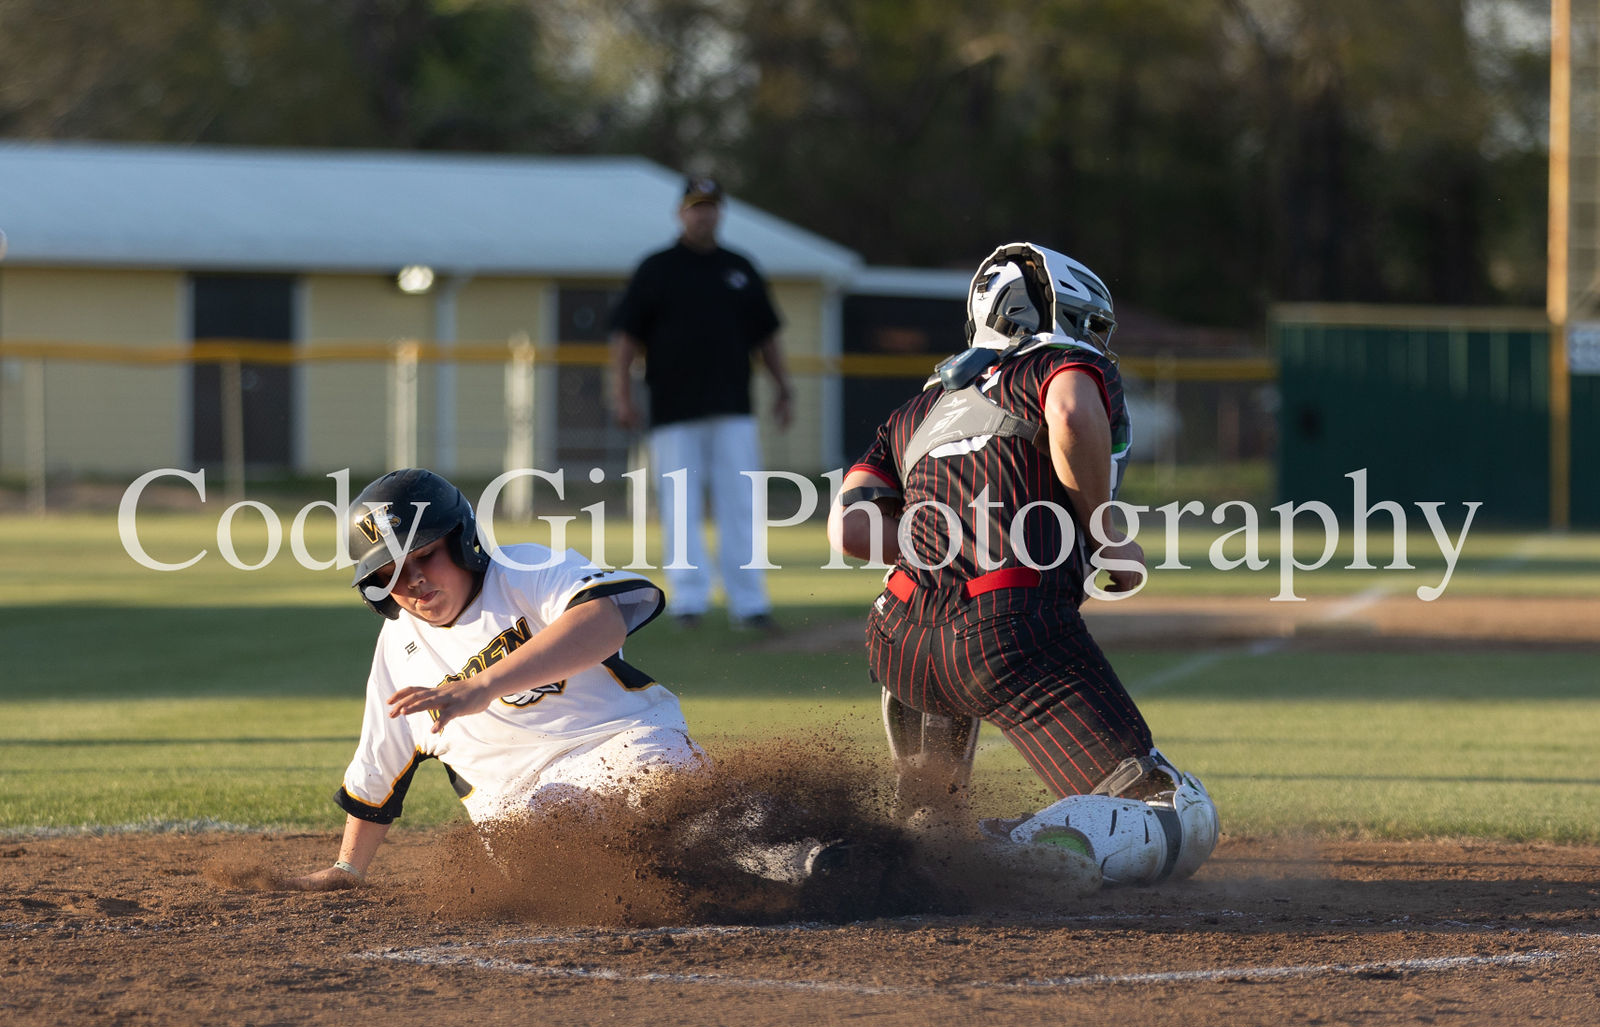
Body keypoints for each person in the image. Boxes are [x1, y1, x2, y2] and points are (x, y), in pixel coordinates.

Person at [826, 242, 1219, 888]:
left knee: (933, 804)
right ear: (1051, 309)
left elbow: (851, 527)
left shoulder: (917, 408)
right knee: (1178, 810)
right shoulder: (1061, 364)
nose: (1097, 343)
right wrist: (1105, 532)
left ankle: (924, 834)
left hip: (900, 640)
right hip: (1009, 634)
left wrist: (946, 546)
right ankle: (1018, 844)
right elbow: (1068, 411)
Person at [284, 468, 856, 894]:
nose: (412, 583)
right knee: (567, 862)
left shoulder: (524, 570)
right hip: (517, 802)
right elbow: (378, 767)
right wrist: (347, 867)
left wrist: (479, 687)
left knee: (666, 794)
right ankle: (717, 888)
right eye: (389, 576)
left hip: (619, 738)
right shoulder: (399, 651)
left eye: (424, 558)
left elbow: (603, 621)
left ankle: (805, 860)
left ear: (463, 540)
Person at [609, 175, 792, 632]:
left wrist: (783, 387)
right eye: (695, 207)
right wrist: (621, 392)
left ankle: (749, 602)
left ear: (720, 212)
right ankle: (689, 599)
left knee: (740, 503)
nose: (702, 214)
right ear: (680, 213)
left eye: (709, 206)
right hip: (674, 408)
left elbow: (766, 336)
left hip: (733, 406)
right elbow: (626, 335)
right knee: (680, 504)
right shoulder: (657, 268)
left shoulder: (739, 267)